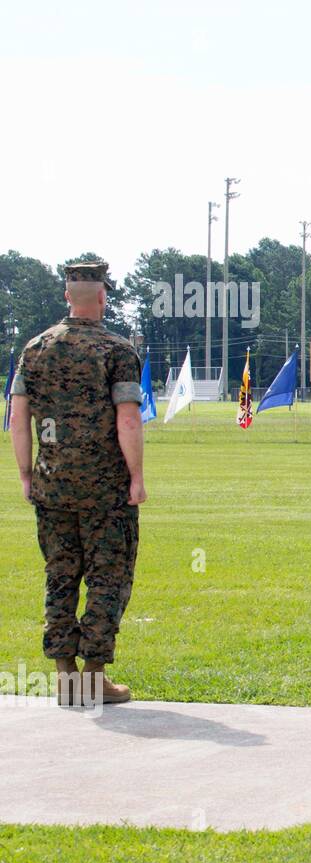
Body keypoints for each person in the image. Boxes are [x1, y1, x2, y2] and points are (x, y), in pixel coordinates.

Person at [8, 260, 144, 706]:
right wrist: (137, 477)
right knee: (108, 577)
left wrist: (27, 474)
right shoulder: (117, 351)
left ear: (67, 296)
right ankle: (94, 676)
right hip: (106, 490)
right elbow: (127, 420)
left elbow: (17, 420)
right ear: (102, 297)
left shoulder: (34, 349)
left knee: (60, 576)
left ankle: (66, 676)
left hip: (52, 487)